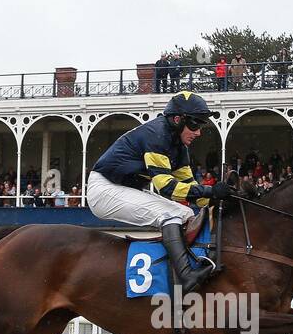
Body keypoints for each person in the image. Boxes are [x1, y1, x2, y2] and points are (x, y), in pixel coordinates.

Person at [88, 91, 231, 294]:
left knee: (186, 213)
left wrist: (221, 199)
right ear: (177, 120)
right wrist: (211, 190)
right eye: (195, 125)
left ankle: (189, 264)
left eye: (201, 126)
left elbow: (192, 192)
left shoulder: (179, 146)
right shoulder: (157, 135)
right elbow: (168, 188)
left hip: (121, 187)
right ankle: (186, 276)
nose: (199, 132)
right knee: (171, 214)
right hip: (104, 189)